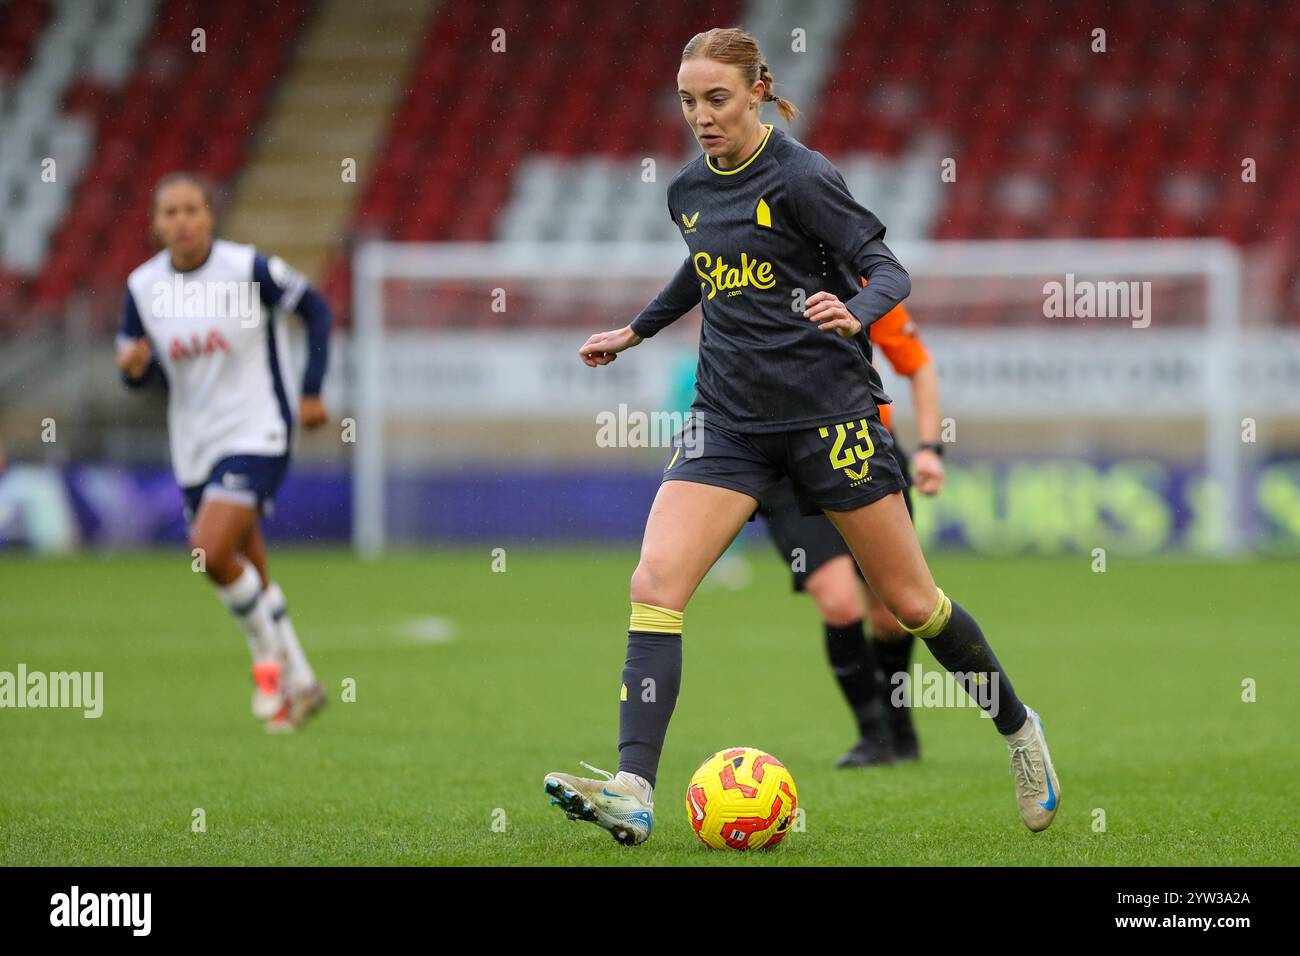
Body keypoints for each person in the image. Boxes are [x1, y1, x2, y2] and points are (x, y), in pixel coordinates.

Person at [544, 27, 1059, 845]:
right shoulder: (686, 190)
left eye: (717, 99)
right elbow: (703, 264)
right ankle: (635, 788)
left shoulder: (803, 176)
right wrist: (635, 332)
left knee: (913, 604)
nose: (701, 117)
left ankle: (1021, 732)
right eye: (688, 102)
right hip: (729, 424)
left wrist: (853, 310)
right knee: (654, 585)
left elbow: (887, 267)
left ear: (756, 93)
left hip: (832, 422)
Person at [117, 172, 331, 732]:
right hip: (193, 445)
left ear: (211, 215)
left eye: (192, 209)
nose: (182, 220)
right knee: (246, 566)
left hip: (259, 429)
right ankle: (303, 684)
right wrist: (134, 372)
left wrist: (311, 391)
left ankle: (267, 665)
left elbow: (317, 310)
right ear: (155, 224)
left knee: (209, 551)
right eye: (170, 212)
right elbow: (138, 372)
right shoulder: (142, 289)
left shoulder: (248, 269)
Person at [758, 301, 945, 767]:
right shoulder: (751, 277)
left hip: (861, 453)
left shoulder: (861, 281)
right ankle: (873, 734)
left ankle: (901, 728)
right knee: (838, 599)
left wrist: (929, 448)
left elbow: (918, 366)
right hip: (785, 465)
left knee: (891, 613)